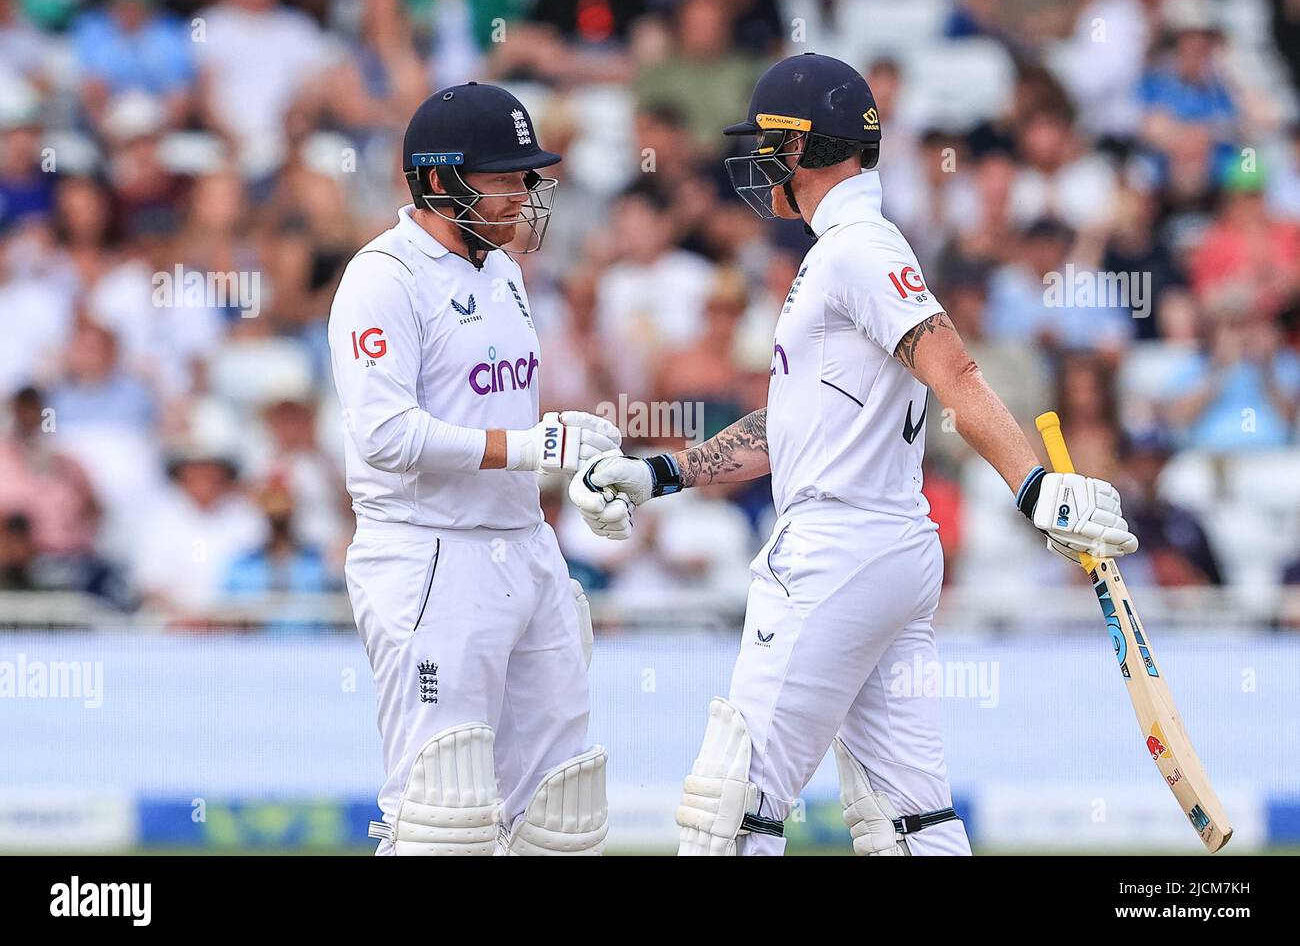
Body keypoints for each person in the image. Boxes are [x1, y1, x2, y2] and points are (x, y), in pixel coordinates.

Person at [569, 53, 1139, 856]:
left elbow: (958, 372)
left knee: (733, 809)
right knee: (911, 822)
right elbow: (788, 429)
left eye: (768, 140)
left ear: (802, 146)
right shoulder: (843, 250)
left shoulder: (857, 249)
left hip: (837, 551)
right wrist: (661, 471)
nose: (755, 159)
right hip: (887, 551)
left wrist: (1036, 485)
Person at [328, 82, 621, 856]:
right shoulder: (382, 278)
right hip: (430, 555)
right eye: (505, 176)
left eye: (528, 175)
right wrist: (528, 448)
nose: (525, 192)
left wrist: (578, 462)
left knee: (560, 816)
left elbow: (498, 413)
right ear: (438, 181)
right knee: (443, 812)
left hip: (524, 546)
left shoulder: (504, 274)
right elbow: (386, 433)